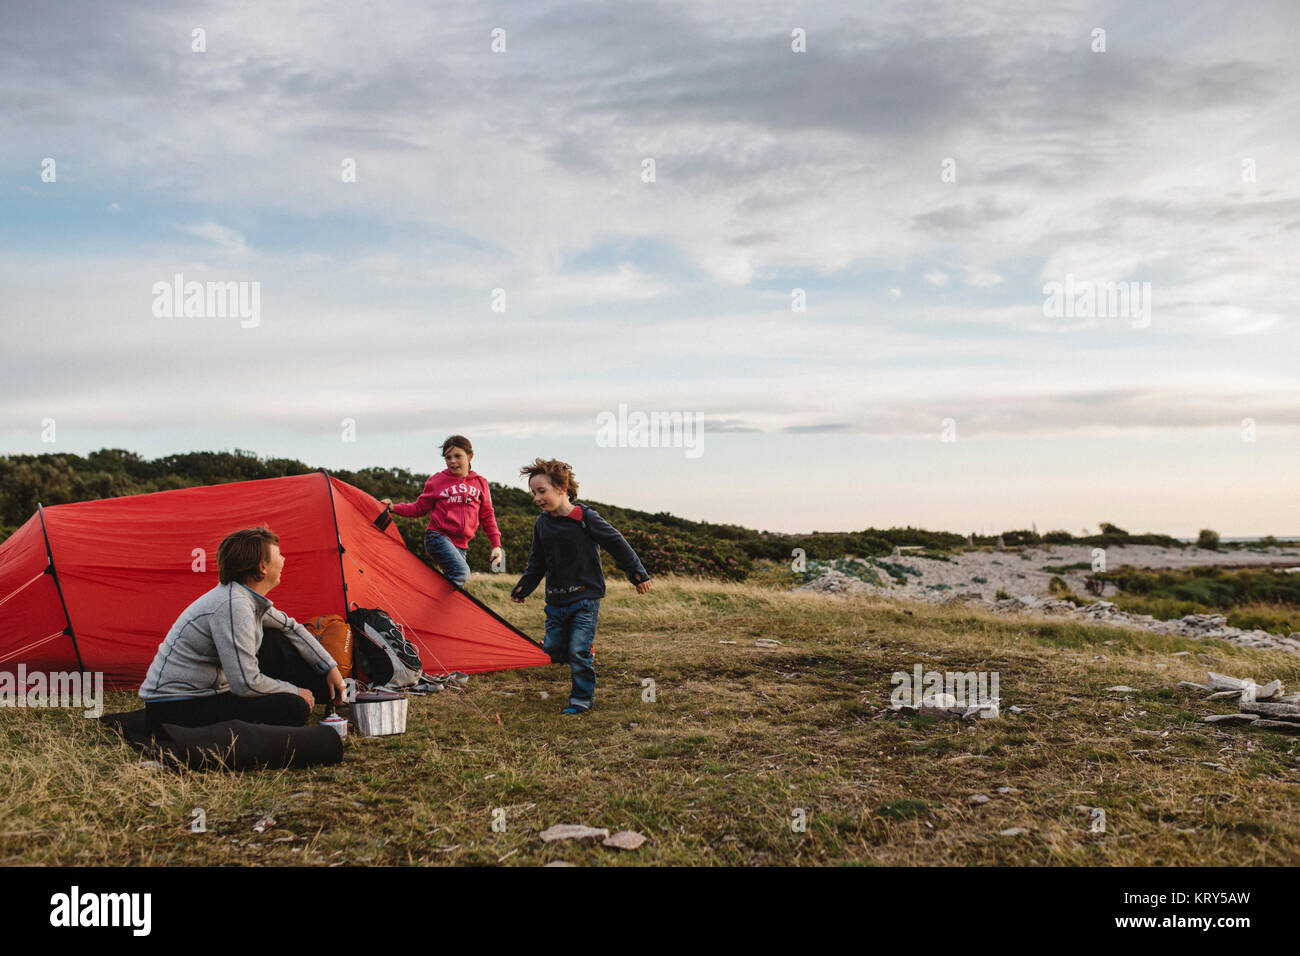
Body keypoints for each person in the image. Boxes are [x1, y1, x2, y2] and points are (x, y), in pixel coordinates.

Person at [138, 526, 346, 734]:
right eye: (278, 554)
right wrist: (296, 691)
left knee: (277, 639)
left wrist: (330, 667)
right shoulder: (233, 605)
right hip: (175, 708)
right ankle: (313, 696)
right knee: (294, 707)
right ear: (262, 567)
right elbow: (245, 684)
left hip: (206, 693)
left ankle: (330, 691)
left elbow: (291, 627)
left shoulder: (245, 597)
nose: (283, 560)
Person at [510, 458, 651, 714]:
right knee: (552, 649)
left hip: (585, 598)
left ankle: (581, 699)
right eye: (533, 493)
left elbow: (616, 543)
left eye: (542, 491)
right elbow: (537, 562)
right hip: (555, 601)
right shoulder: (542, 524)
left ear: (562, 487)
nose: (537, 498)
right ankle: (583, 648)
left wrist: (637, 574)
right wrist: (524, 588)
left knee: (577, 651)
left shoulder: (585, 518)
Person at [381, 435, 504, 588]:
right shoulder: (437, 481)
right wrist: (394, 507)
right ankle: (426, 596)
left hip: (461, 545)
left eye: (457, 456)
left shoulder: (481, 483)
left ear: (470, 456)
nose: (452, 461)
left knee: (456, 587)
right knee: (461, 573)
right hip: (438, 537)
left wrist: (496, 545)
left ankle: (432, 605)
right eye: (448, 457)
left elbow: (487, 516)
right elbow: (419, 508)